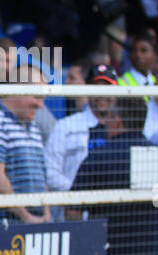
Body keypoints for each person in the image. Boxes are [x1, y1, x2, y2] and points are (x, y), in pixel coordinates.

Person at [68, 97, 158, 255]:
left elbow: (72, 213)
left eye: (107, 115)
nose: (104, 121)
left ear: (117, 120)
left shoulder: (97, 158)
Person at [45, 64, 116, 196]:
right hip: (75, 209)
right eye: (96, 89)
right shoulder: (65, 126)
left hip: (112, 208)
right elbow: (50, 172)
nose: (102, 95)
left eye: (107, 88)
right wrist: (80, 194)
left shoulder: (123, 127)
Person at [0, 89, 50, 224]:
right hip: (5, 227)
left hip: (34, 223)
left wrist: (46, 214)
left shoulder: (33, 127)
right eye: (37, 96)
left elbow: (42, 177)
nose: (40, 105)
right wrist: (26, 216)